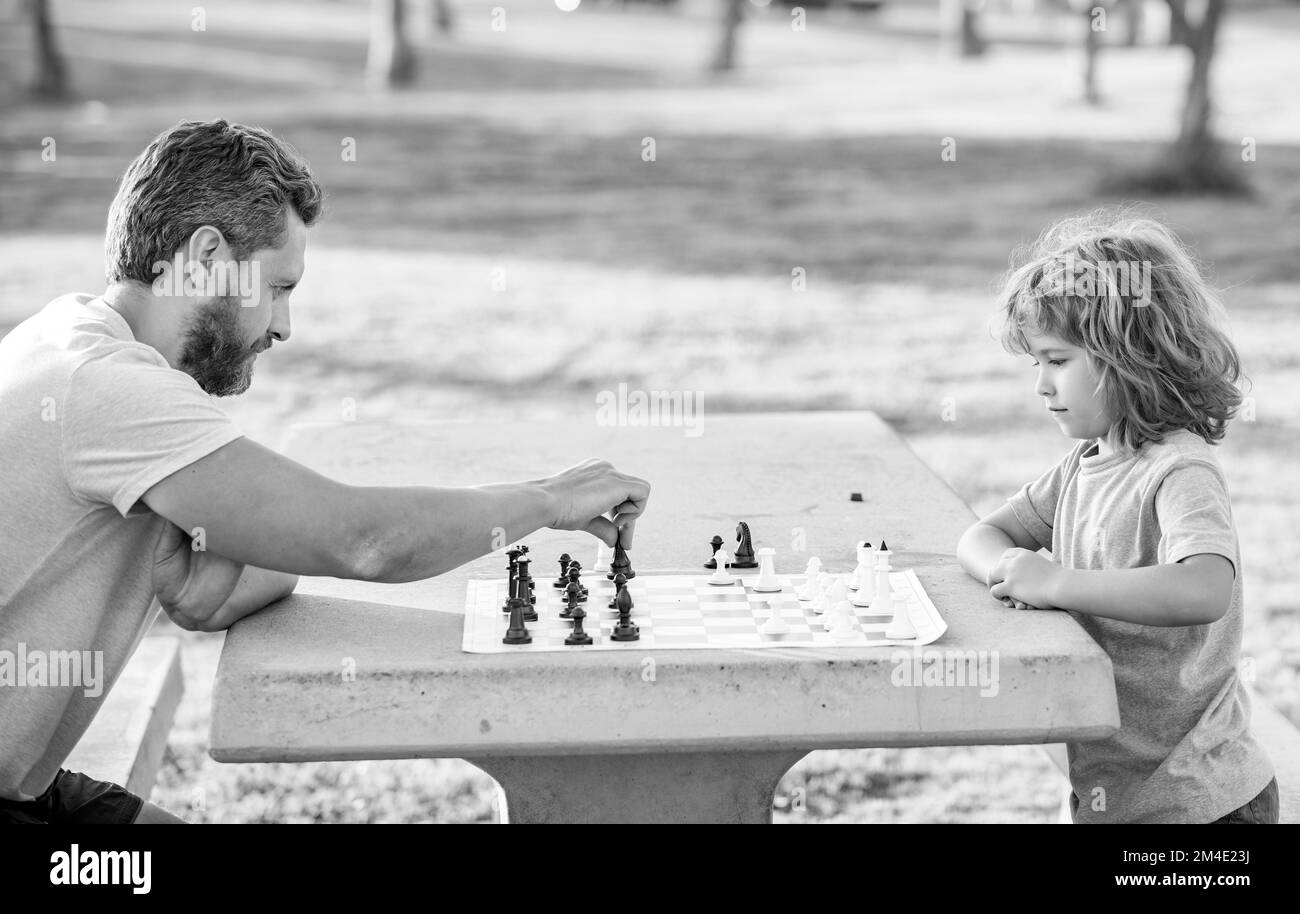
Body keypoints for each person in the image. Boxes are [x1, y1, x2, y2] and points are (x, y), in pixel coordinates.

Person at [0, 120, 650, 823]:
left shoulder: (67, 335)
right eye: (279, 287)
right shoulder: (110, 389)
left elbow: (210, 595)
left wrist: (275, 536)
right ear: (209, 256)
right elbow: (364, 542)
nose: (284, 327)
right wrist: (550, 498)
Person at [955, 211, 1277, 824]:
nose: (1042, 386)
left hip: (1198, 802)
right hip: (1115, 791)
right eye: (1036, 365)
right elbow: (981, 535)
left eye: (1057, 360)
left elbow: (1205, 587)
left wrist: (1055, 583)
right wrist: (1008, 569)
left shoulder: (1178, 470)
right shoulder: (1086, 464)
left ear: (1129, 355)